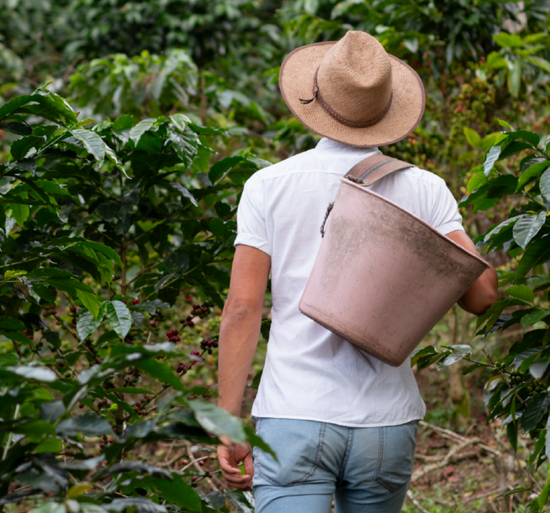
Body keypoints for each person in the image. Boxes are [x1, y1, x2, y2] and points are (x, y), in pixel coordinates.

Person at [215, 31, 499, 513]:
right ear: (387, 111)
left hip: (294, 412)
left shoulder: (268, 185)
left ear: (315, 98)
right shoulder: (425, 188)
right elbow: (483, 297)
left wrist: (228, 421)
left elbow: (243, 308)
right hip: (385, 423)